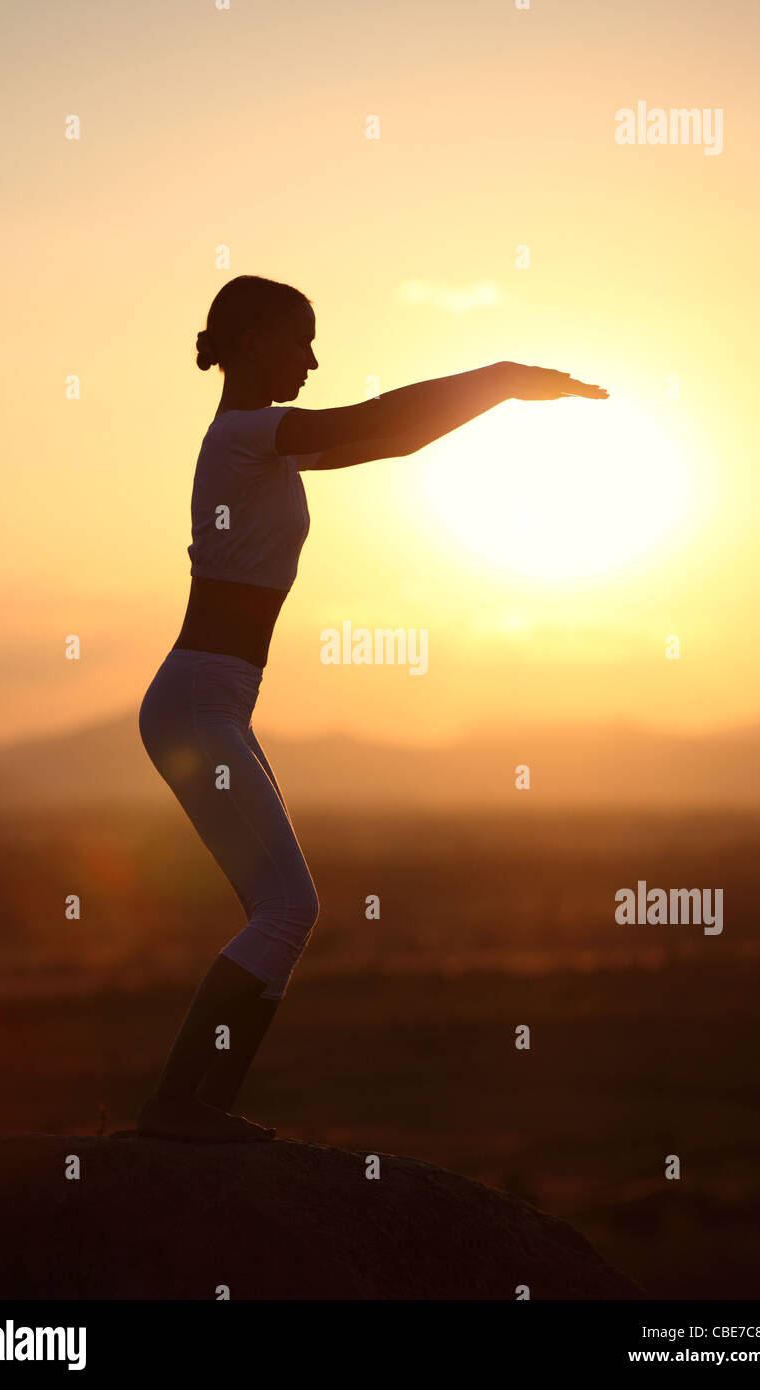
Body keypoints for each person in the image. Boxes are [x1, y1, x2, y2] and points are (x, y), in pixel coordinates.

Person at [135, 273, 608, 1143]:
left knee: (285, 912)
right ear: (249, 347)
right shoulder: (247, 433)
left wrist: (499, 396)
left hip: (211, 703)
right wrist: (501, 375)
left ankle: (200, 1112)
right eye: (298, 339)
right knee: (287, 910)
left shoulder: (263, 442)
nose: (313, 359)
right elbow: (373, 420)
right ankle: (178, 1110)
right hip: (199, 702)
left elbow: (393, 437)